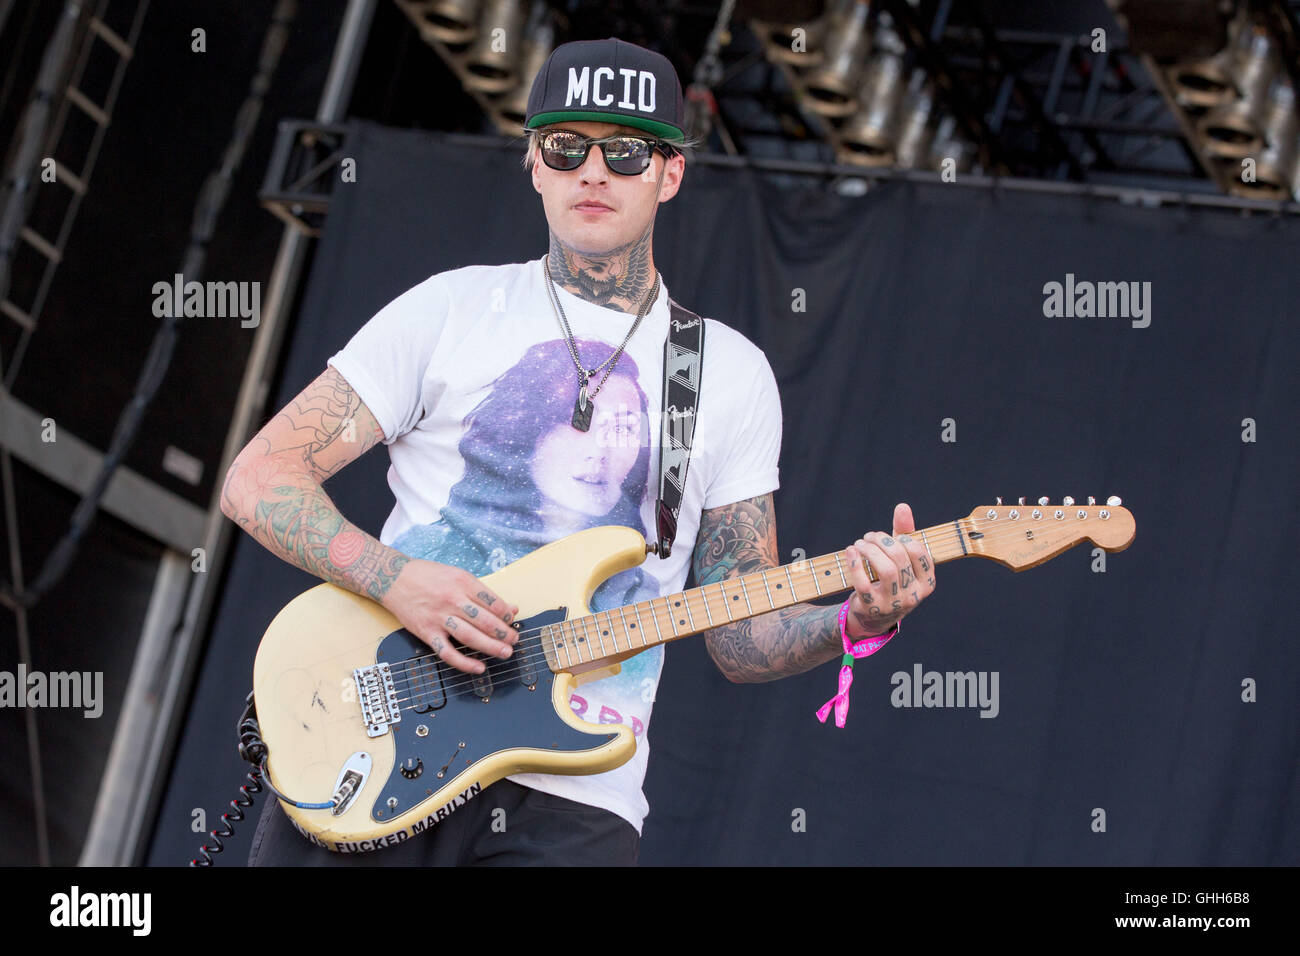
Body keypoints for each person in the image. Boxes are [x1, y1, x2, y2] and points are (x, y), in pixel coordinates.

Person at [220, 37, 936, 866]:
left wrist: (857, 618)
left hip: (574, 801)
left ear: (670, 173)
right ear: (534, 163)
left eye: (626, 152)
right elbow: (259, 477)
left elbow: (740, 632)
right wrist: (396, 580)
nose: (593, 171)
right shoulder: (452, 309)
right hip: (380, 747)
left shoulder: (727, 374)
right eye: (567, 147)